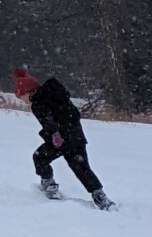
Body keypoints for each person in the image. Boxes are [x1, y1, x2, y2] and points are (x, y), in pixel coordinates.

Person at [14, 65, 113, 209]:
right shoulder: (58, 96)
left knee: (40, 157)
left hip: (60, 140)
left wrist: (55, 135)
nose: (22, 100)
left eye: (21, 96)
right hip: (76, 137)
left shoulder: (38, 104)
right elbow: (74, 115)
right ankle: (99, 195)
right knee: (82, 168)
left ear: (29, 92)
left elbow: (49, 122)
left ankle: (49, 185)